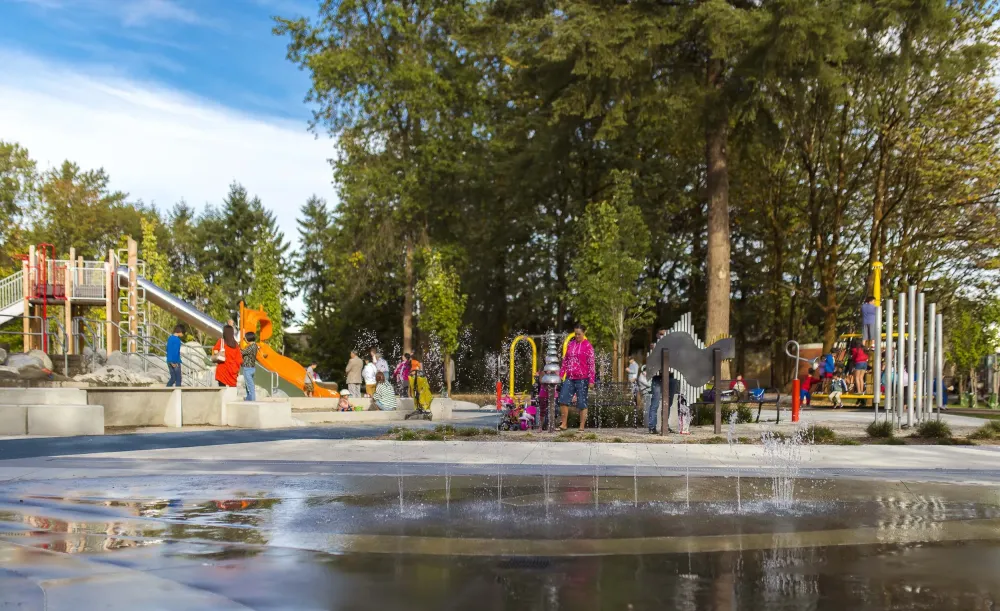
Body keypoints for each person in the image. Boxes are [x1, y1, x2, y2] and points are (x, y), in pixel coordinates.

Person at [557, 323, 595, 431]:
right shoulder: (571, 344)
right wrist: (561, 375)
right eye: (575, 334)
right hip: (570, 377)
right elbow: (565, 361)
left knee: (582, 402)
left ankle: (581, 427)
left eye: (579, 334)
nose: (577, 336)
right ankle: (564, 424)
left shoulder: (588, 346)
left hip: (583, 379)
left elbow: (591, 364)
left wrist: (591, 380)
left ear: (584, 333)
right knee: (563, 399)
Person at [648, 328, 669, 433]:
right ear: (657, 335)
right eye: (661, 334)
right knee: (655, 402)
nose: (663, 336)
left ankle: (666, 425)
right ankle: (652, 427)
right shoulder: (654, 347)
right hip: (657, 378)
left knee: (668, 403)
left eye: (665, 334)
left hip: (670, 377)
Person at [241, 331, 259, 401]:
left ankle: (252, 400)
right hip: (251, 368)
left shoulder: (252, 346)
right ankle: (248, 398)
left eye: (245, 338)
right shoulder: (254, 346)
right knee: (248, 384)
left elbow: (242, 352)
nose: (245, 339)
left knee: (250, 385)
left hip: (247, 368)